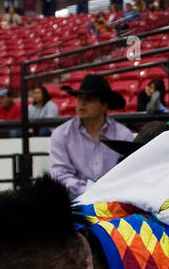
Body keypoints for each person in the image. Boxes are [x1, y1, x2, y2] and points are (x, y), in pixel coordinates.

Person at [49, 73, 134, 201]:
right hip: (75, 202)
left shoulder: (124, 135)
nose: (81, 103)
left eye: (89, 99)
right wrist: (92, 192)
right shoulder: (61, 134)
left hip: (116, 201)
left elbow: (129, 174)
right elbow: (60, 175)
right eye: (79, 98)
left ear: (104, 105)